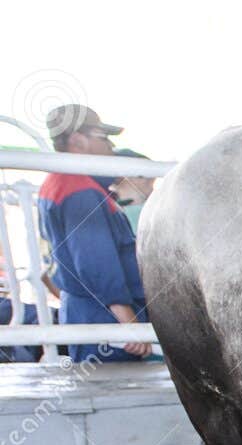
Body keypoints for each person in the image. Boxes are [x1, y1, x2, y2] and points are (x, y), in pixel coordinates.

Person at [38, 105, 149, 362]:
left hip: (85, 310)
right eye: (103, 138)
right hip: (105, 317)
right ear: (78, 141)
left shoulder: (57, 183)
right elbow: (96, 262)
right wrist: (129, 325)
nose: (110, 146)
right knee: (115, 394)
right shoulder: (80, 190)